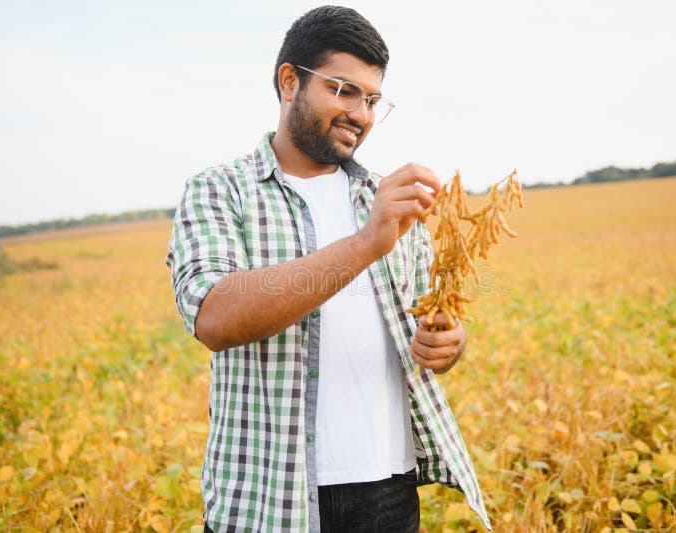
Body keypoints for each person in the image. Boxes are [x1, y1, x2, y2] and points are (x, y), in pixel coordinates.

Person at [166, 5, 490, 532]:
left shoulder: (385, 196)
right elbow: (215, 317)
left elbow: (431, 318)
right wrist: (365, 243)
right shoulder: (220, 190)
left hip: (389, 493)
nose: (360, 114)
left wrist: (449, 343)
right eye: (343, 90)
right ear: (290, 81)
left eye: (372, 100)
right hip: (267, 497)